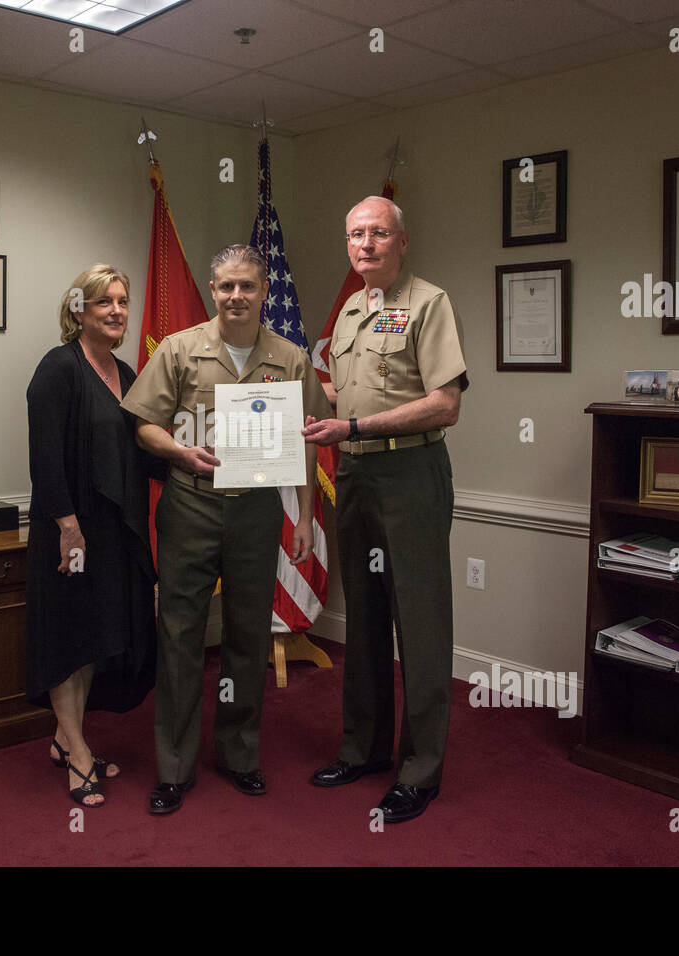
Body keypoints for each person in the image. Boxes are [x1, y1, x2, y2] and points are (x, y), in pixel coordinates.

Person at [120, 243, 331, 815]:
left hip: (258, 510)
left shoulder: (289, 357)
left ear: (264, 292)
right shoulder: (180, 349)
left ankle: (240, 755)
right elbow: (143, 425)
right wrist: (181, 452)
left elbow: (308, 439)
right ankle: (174, 768)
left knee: (246, 637)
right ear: (213, 291)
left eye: (247, 286)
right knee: (181, 636)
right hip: (191, 506)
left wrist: (306, 515)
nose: (236, 296)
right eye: (225, 287)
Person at [302, 196, 468, 824]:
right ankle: (364, 749)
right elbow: (338, 394)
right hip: (357, 471)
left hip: (410, 470)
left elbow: (446, 403)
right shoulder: (347, 311)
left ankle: (420, 770)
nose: (364, 244)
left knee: (419, 621)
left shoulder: (429, 303)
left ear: (403, 241)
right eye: (354, 235)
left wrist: (357, 425)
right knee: (364, 614)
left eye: (377, 233)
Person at [25, 264, 160, 807]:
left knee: (90, 642)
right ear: (78, 309)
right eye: (104, 301)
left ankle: (67, 738)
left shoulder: (126, 374)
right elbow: (44, 456)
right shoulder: (57, 369)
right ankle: (79, 755)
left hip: (113, 531)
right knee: (68, 638)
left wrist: (199, 460)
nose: (117, 311)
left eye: (123, 302)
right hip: (70, 530)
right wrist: (67, 526)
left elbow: (138, 449)